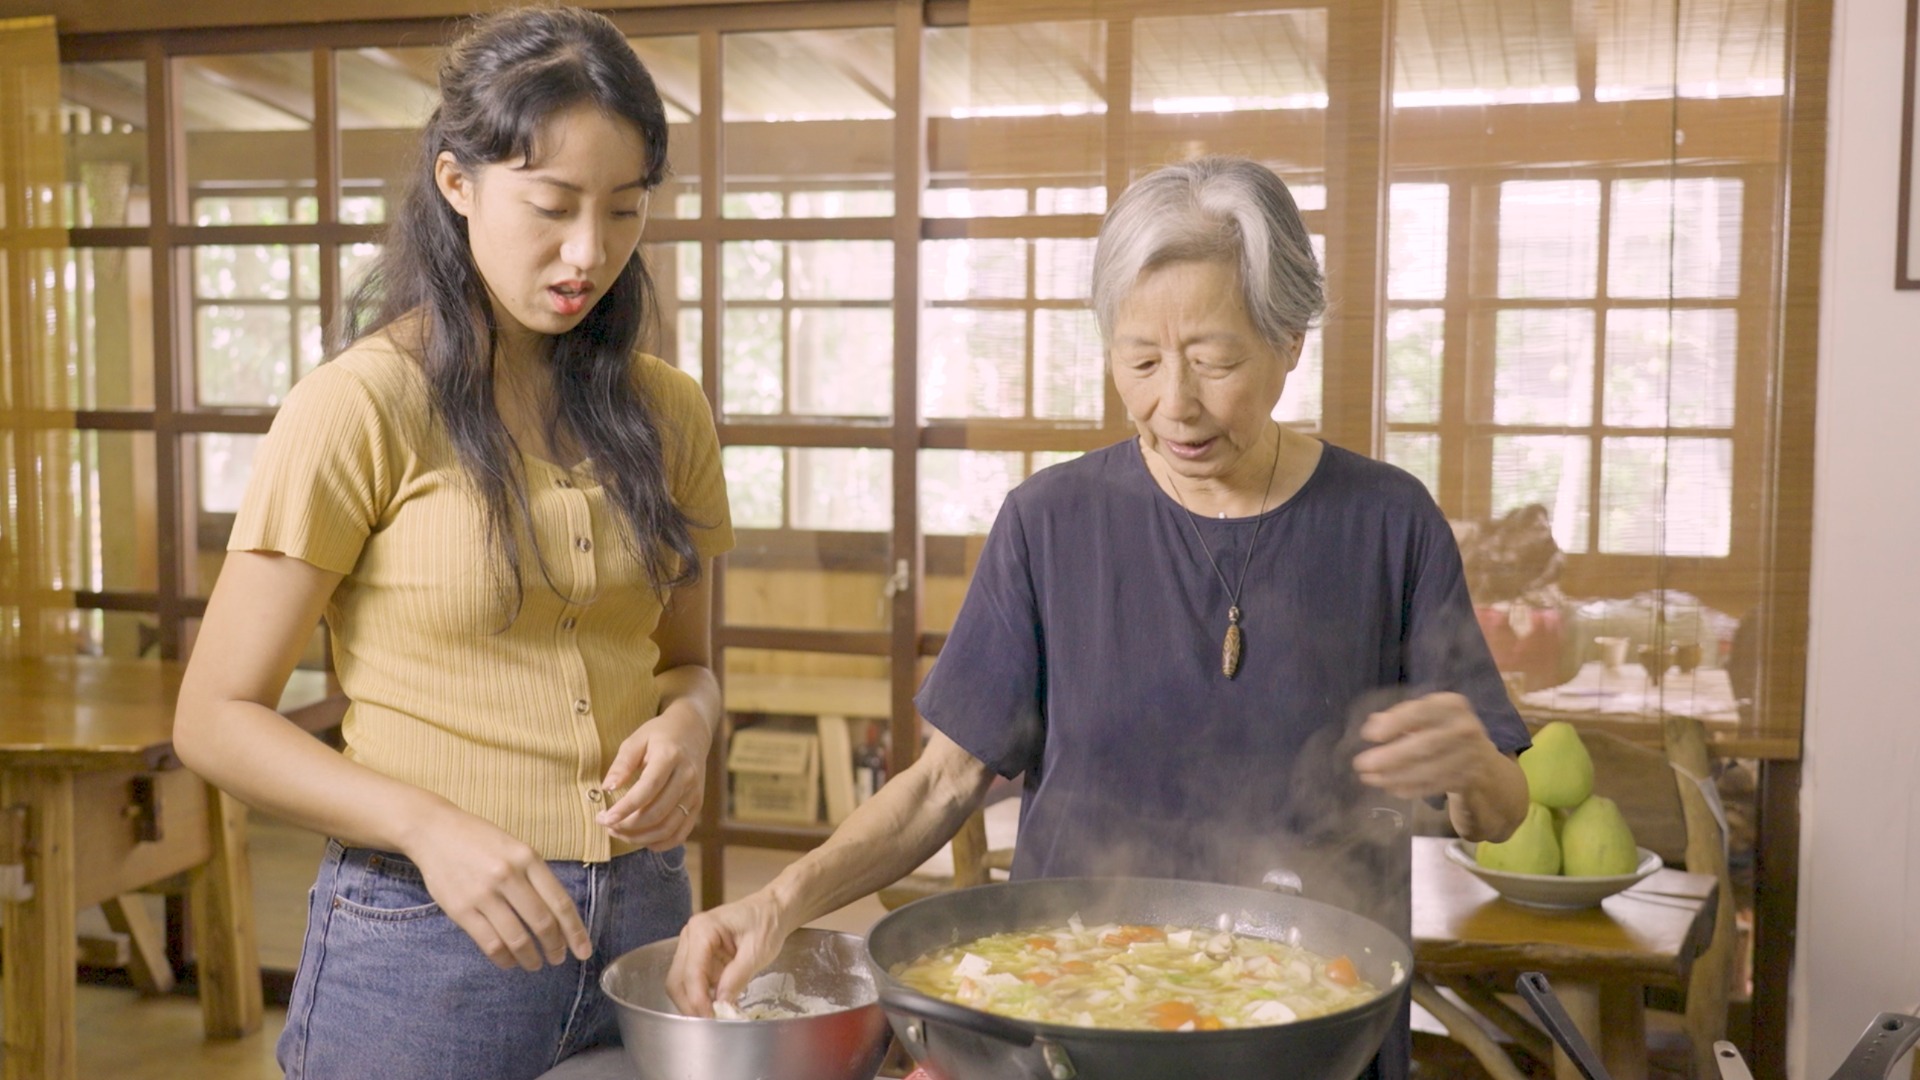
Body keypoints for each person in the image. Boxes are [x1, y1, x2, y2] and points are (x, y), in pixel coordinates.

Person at [665, 156, 1530, 1080]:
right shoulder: (1050, 522)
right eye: (1142, 361)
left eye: (1215, 360)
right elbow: (940, 783)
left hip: (1310, 1031)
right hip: (1062, 1018)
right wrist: (778, 902)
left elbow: (1500, 811)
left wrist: (1474, 764)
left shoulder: (1389, 523)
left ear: (1290, 342)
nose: (1174, 406)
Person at [171, 9, 733, 1079]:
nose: (591, 253)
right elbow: (214, 718)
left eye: (624, 211)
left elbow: (689, 665)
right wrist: (428, 827)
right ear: (457, 181)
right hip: (428, 943)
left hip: (644, 929)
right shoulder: (361, 406)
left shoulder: (671, 412)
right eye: (554, 206)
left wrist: (695, 723)